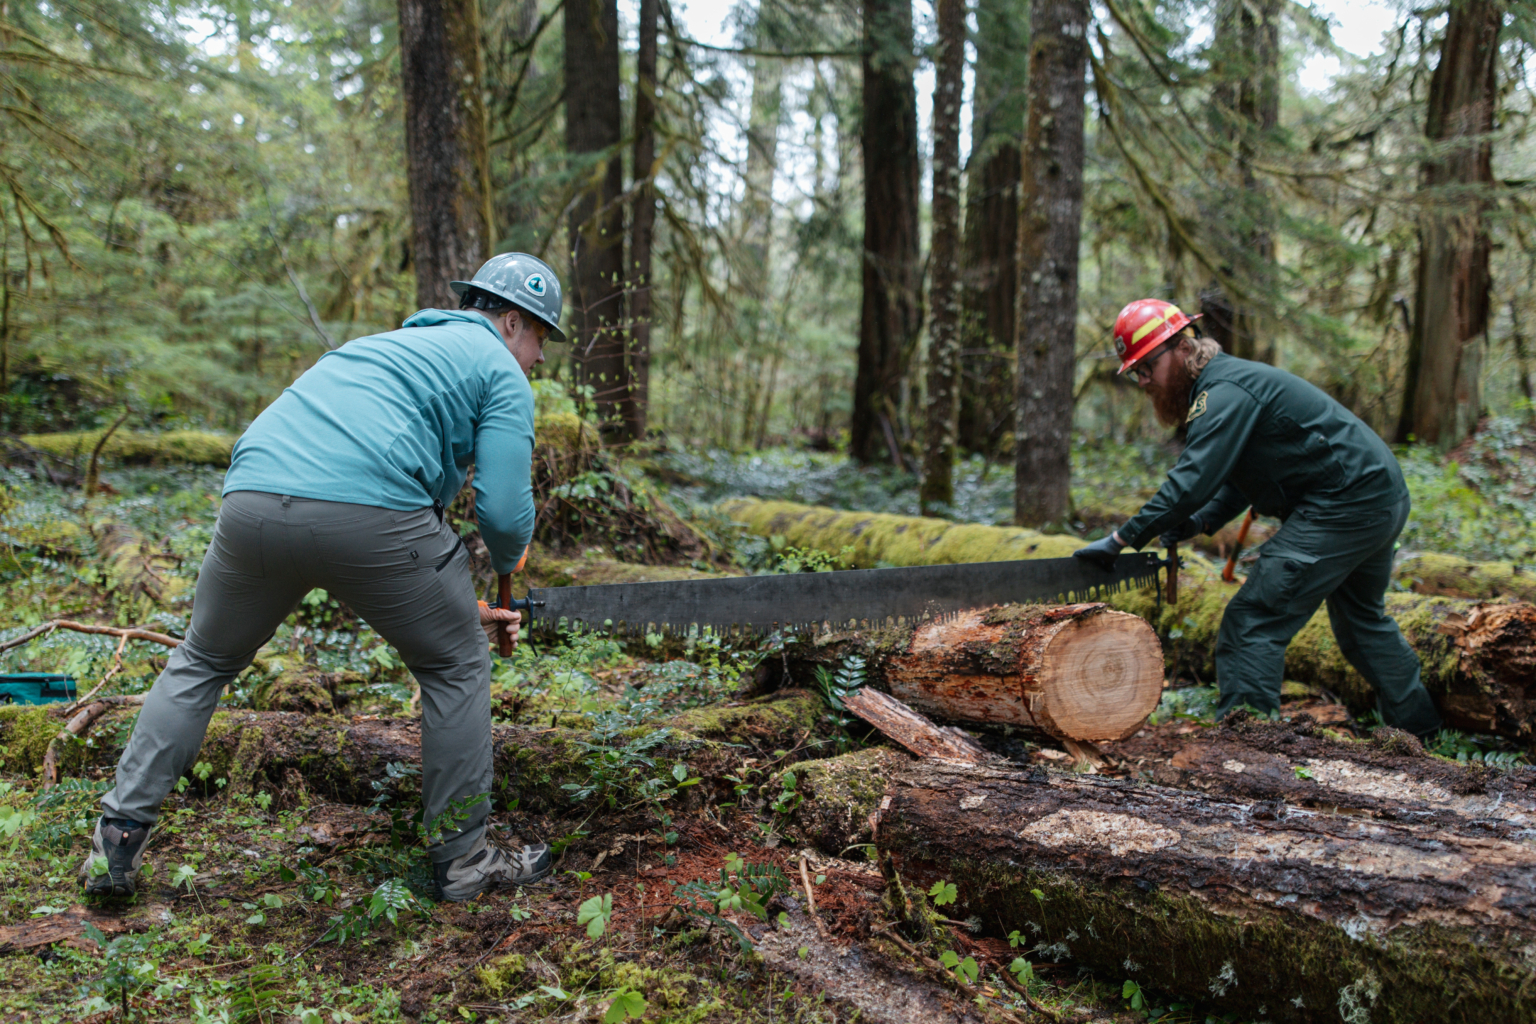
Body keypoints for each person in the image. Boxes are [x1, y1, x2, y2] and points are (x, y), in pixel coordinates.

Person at [81, 252, 567, 901]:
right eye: (540, 340)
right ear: (511, 322)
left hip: (252, 496)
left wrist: (450, 603)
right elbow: (504, 515)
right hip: (372, 510)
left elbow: (326, 536)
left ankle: (117, 840)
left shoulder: (381, 350)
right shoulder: (501, 372)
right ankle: (464, 862)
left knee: (202, 660)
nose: (538, 357)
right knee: (455, 666)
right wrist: (505, 568)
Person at [1073, 298, 1442, 739]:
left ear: (1181, 346)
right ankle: (1425, 734)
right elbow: (1237, 477)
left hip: (1345, 504)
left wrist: (1120, 540)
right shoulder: (1225, 385)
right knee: (1361, 626)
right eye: (1136, 373)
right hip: (1375, 496)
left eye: (1148, 366)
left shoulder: (1223, 392)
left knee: (1252, 622)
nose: (1144, 381)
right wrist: (1197, 523)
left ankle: (1249, 751)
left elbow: (1192, 480)